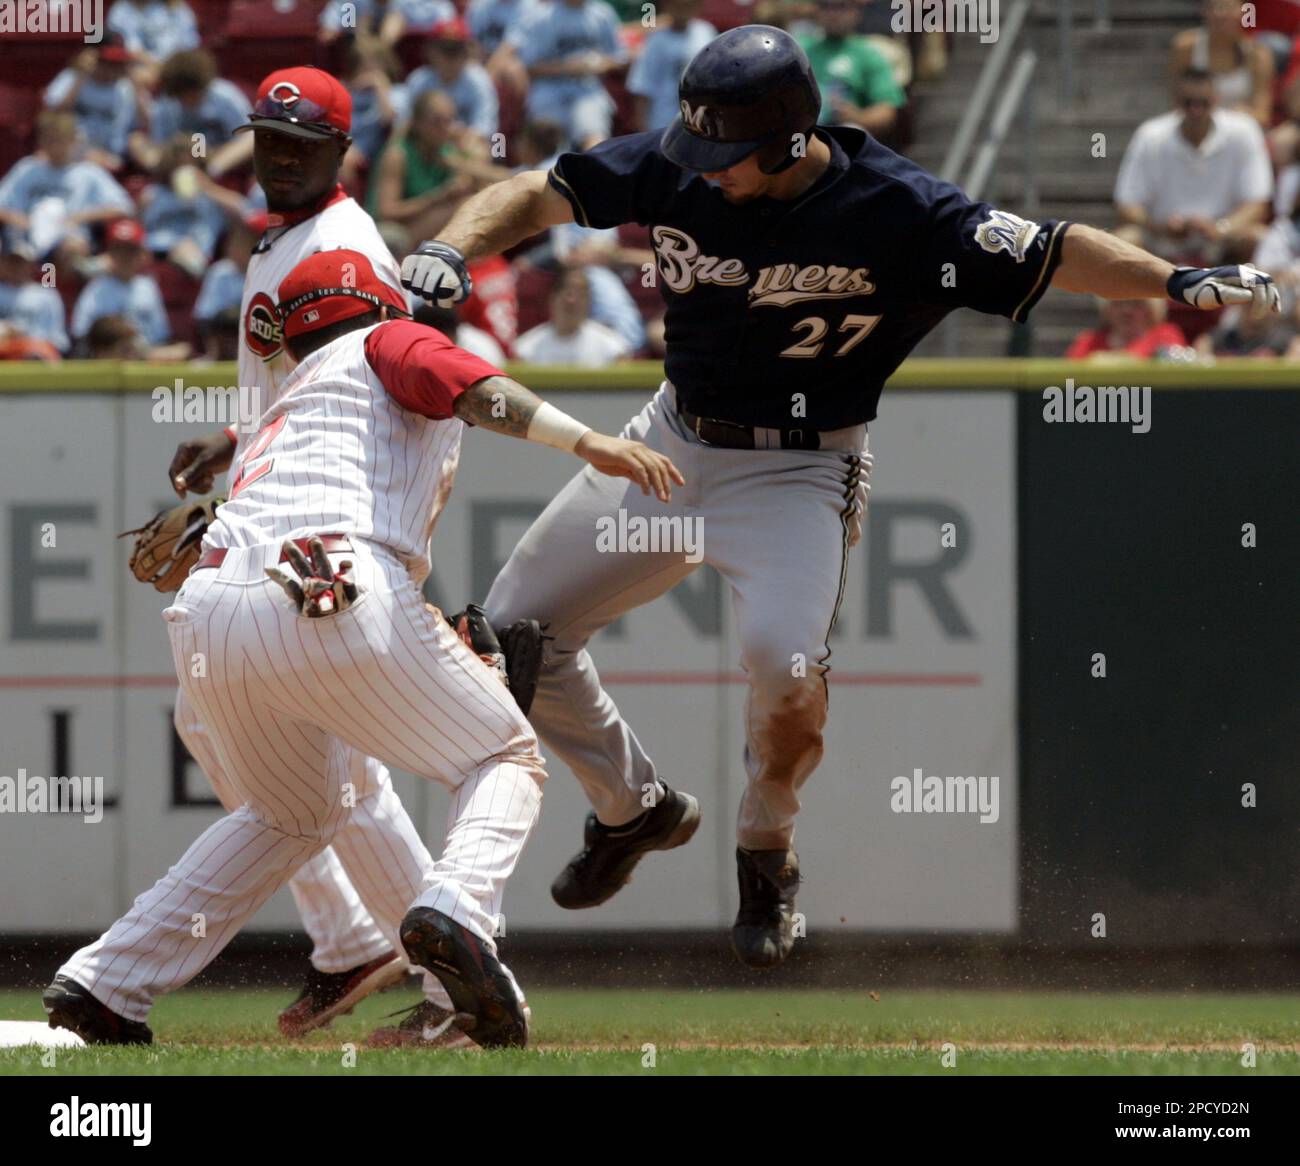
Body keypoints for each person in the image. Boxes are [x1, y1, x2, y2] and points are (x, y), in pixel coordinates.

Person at [400, 25, 1281, 969]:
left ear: (787, 138)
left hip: (800, 469)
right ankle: (633, 810)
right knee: (509, 635)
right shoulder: (678, 164)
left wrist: (1175, 279)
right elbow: (538, 190)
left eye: (725, 152)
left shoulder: (898, 206)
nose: (705, 171)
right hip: (672, 439)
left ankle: (766, 851)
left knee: (784, 670)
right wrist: (450, 245)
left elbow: (1051, 249)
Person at [43, 246, 684, 1049]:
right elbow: (476, 388)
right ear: (382, 303)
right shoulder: (390, 340)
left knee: (293, 811)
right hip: (328, 582)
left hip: (209, 607)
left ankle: (105, 984)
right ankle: (453, 911)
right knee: (504, 758)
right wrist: (587, 442)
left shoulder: (289, 397)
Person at [146, 66, 472, 1044]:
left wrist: (351, 532)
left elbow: (368, 393)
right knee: (242, 730)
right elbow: (298, 378)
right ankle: (371, 946)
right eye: (268, 139)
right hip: (289, 512)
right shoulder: (287, 240)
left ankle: (423, 962)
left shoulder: (343, 249)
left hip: (326, 526)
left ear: (341, 153)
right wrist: (233, 436)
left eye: (300, 143)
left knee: (306, 756)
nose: (279, 156)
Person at [1115, 68, 1272, 268]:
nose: (1196, 110)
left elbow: (1257, 204)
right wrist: (1161, 228)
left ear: (1216, 100)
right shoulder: (1150, 136)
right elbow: (1127, 205)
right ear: (1176, 102)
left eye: (1203, 103)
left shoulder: (1244, 131)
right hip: (1162, 244)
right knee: (1123, 240)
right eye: (1188, 103)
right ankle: (1140, 299)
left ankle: (1256, 297)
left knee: (1259, 238)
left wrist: (1220, 228)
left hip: (1223, 245)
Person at [0, 111, 133, 266]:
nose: (55, 146)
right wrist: (19, 219)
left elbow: (124, 207)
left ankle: (54, 283)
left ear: (72, 140)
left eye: (60, 140)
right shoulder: (27, 169)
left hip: (68, 239)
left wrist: (80, 217)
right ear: (41, 141)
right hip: (26, 240)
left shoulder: (88, 173)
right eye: (50, 140)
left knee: (71, 250)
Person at [505, 0, 627, 150]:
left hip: (588, 88)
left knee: (594, 137)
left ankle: (595, 170)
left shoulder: (602, 13)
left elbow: (620, 57)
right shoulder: (542, 16)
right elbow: (529, 67)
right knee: (546, 139)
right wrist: (569, 67)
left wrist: (600, 64)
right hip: (549, 88)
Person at [70, 217, 185, 358]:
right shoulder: (96, 289)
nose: (124, 257)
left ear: (141, 253)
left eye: (130, 250)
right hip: (111, 363)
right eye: (119, 250)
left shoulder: (148, 287)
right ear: (110, 253)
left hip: (146, 362)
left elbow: (160, 335)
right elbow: (82, 336)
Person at [798, 0, 906, 141]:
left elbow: (887, 110)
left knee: (853, 131)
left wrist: (858, 118)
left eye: (841, 6)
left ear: (857, 11)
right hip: (802, 134)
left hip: (844, 134)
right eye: (825, 6)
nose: (833, 14)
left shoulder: (868, 53)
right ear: (816, 11)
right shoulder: (799, 49)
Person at [43, 34, 144, 172]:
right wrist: (81, 77)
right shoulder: (71, 77)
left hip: (112, 158)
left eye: (118, 63)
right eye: (107, 62)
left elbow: (144, 126)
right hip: (74, 155)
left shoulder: (126, 88)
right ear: (91, 58)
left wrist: (137, 86)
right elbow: (52, 115)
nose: (113, 69)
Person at [1170, 0, 1274, 127]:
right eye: (1212, 7)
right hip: (1195, 128)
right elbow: (1177, 105)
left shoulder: (1258, 54)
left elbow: (1262, 115)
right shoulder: (1185, 48)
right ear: (1203, 11)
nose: (1219, 13)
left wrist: (1233, 118)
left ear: (1244, 11)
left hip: (1240, 130)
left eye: (1228, 7)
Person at [626, 0, 717, 131]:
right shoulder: (656, 40)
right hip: (662, 123)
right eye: (677, 5)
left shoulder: (706, 32)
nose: (682, 10)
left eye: (687, 5)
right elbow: (642, 88)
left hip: (699, 122)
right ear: (666, 6)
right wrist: (642, 129)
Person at [405, 18, 499, 143]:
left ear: (467, 53)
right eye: (445, 50)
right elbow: (405, 123)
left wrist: (453, 135)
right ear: (431, 51)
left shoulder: (479, 81)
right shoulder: (419, 80)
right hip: (427, 144)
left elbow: (485, 129)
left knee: (480, 149)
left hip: (464, 145)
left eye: (456, 50)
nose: (450, 57)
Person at [513, 266, 631, 364]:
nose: (572, 300)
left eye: (581, 294)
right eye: (568, 292)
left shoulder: (613, 348)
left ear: (589, 301)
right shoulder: (526, 349)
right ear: (552, 297)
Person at [0, 236, 69, 355]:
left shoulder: (47, 295)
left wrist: (24, 335)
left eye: (20, 263)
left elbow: (59, 339)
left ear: (32, 266)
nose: (16, 267)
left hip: (37, 354)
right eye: (11, 262)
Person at [1065, 299, 1187, 359]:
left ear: (1150, 310)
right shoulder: (1088, 342)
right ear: (1107, 310)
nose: (1126, 311)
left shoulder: (1165, 335)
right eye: (1118, 304)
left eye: (1136, 304)